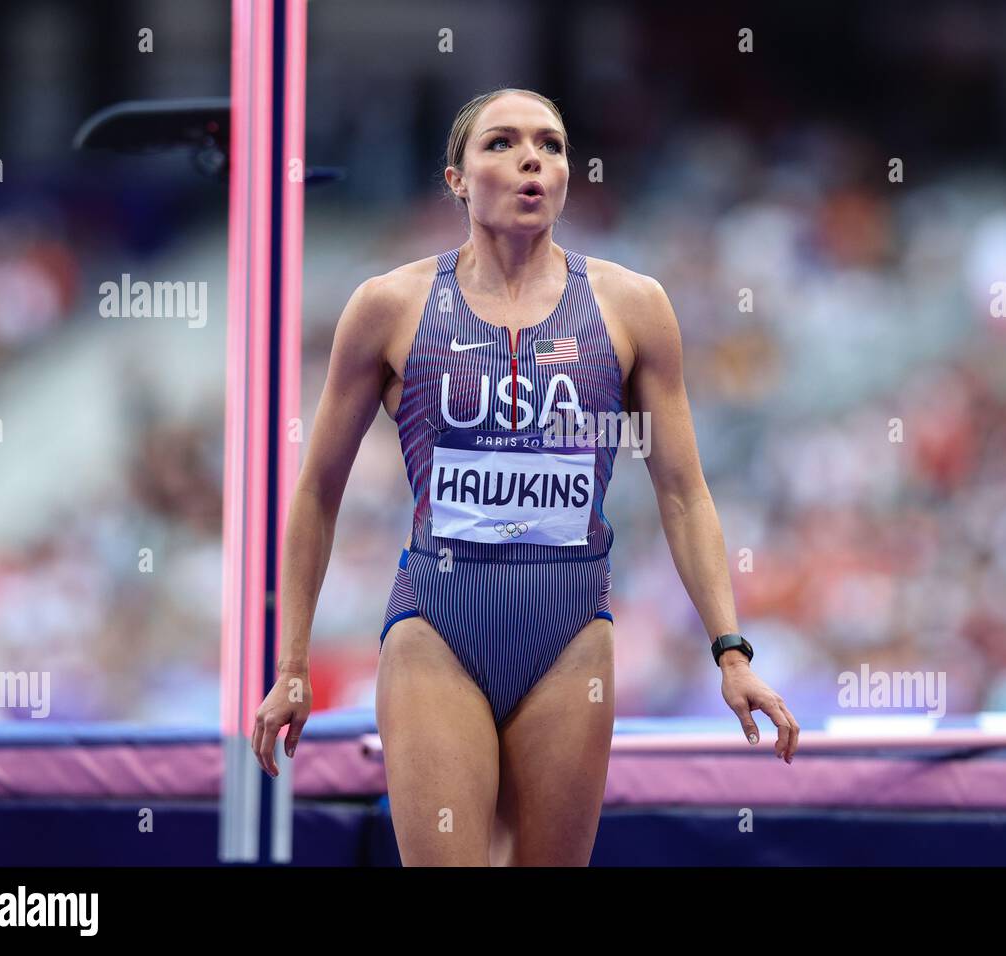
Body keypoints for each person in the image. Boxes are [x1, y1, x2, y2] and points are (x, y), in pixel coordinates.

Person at [251, 88, 799, 865]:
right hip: (436, 626)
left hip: (570, 633)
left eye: (550, 143)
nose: (531, 158)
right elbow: (315, 493)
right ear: (457, 178)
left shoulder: (633, 307)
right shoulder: (389, 307)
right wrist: (291, 666)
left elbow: (682, 492)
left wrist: (731, 652)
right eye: (501, 143)